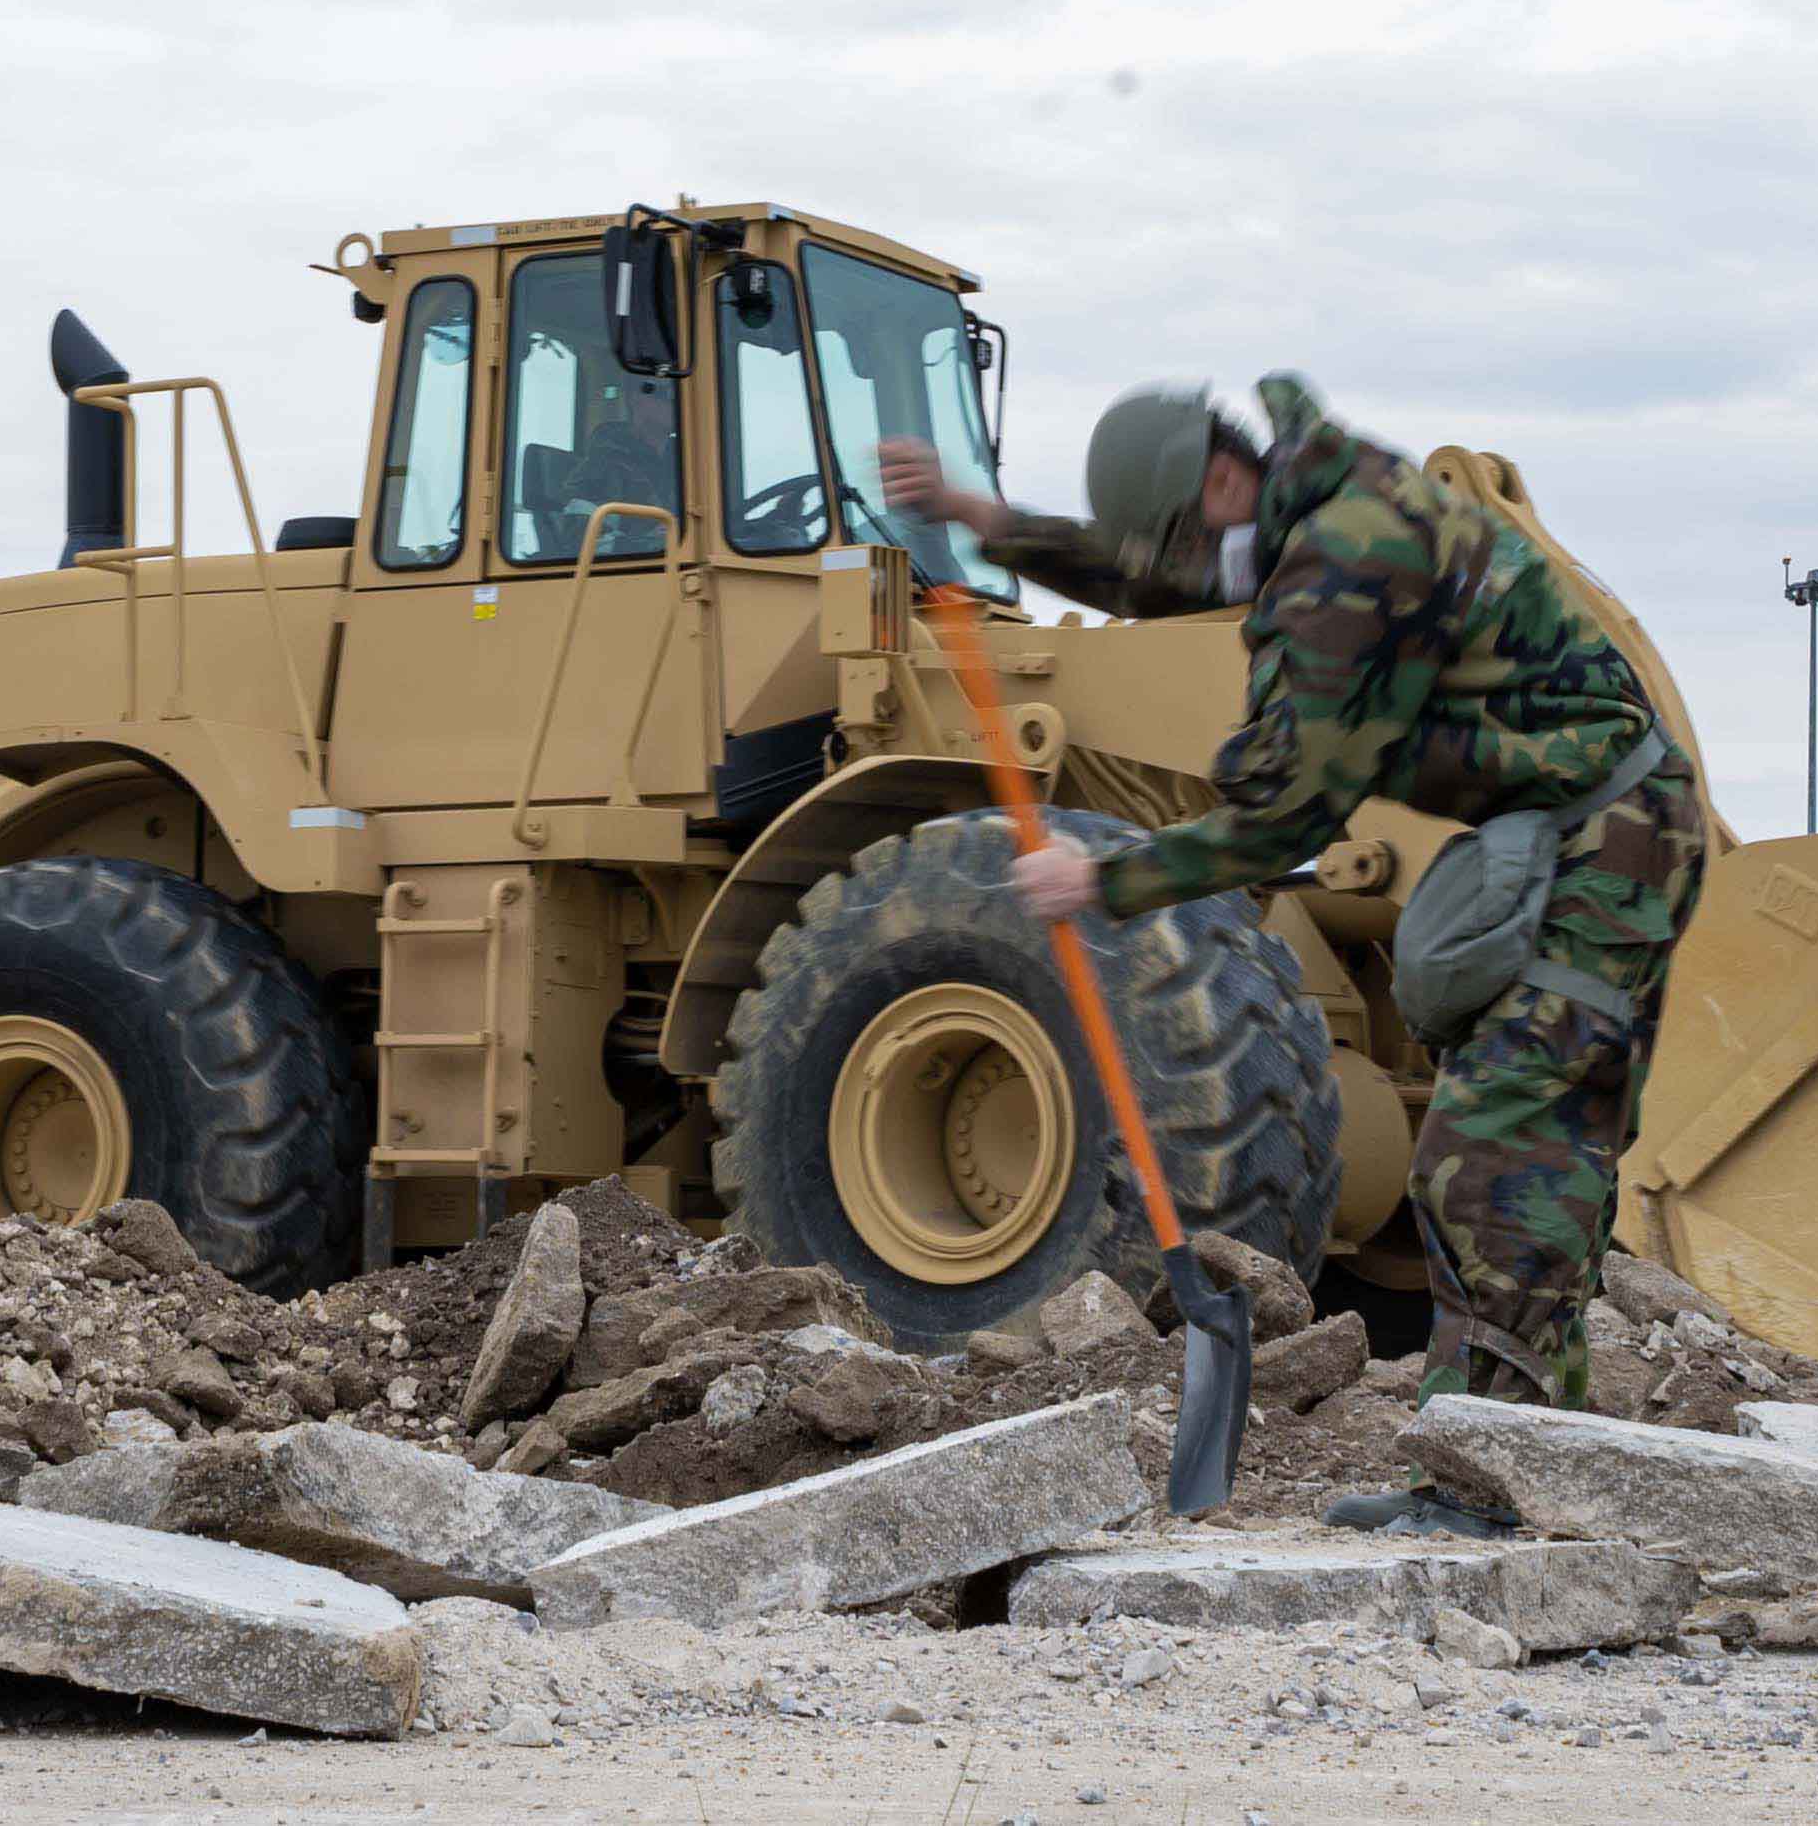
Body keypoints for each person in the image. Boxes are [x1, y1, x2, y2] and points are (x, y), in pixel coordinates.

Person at [881, 375, 1711, 1537]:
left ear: (1226, 482)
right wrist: (989, 520)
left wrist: (1102, 879)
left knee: (1493, 1151)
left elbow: (1286, 821)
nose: (1184, 562)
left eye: (1183, 533)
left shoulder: (1343, 561)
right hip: (1583, 830)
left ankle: (1483, 1493)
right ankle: (1531, 1466)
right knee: (1525, 1144)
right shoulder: (1302, 514)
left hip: (1609, 848)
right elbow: (1162, 576)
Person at [549, 375, 680, 550]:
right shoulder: (602, 465)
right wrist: (650, 542)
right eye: (665, 392)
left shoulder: (684, 463)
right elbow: (582, 540)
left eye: (678, 393)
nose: (674, 401)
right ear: (636, 399)